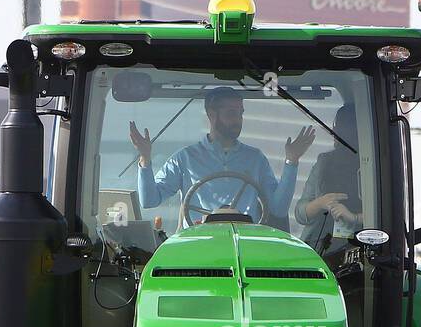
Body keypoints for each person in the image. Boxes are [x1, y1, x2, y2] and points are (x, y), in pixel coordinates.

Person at [130, 86, 315, 224]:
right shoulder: (184, 158)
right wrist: (145, 158)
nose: (238, 120)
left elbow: (279, 208)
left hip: (245, 243)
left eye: (240, 113)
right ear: (211, 115)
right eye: (231, 113)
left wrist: (292, 161)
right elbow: (149, 200)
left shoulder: (255, 158)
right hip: (198, 244)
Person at [294, 103, 362, 246]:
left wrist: (354, 217)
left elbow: (384, 215)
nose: (333, 133)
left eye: (338, 130)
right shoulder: (324, 162)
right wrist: (321, 203)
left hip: (358, 245)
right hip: (319, 244)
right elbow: (300, 213)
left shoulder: (372, 165)